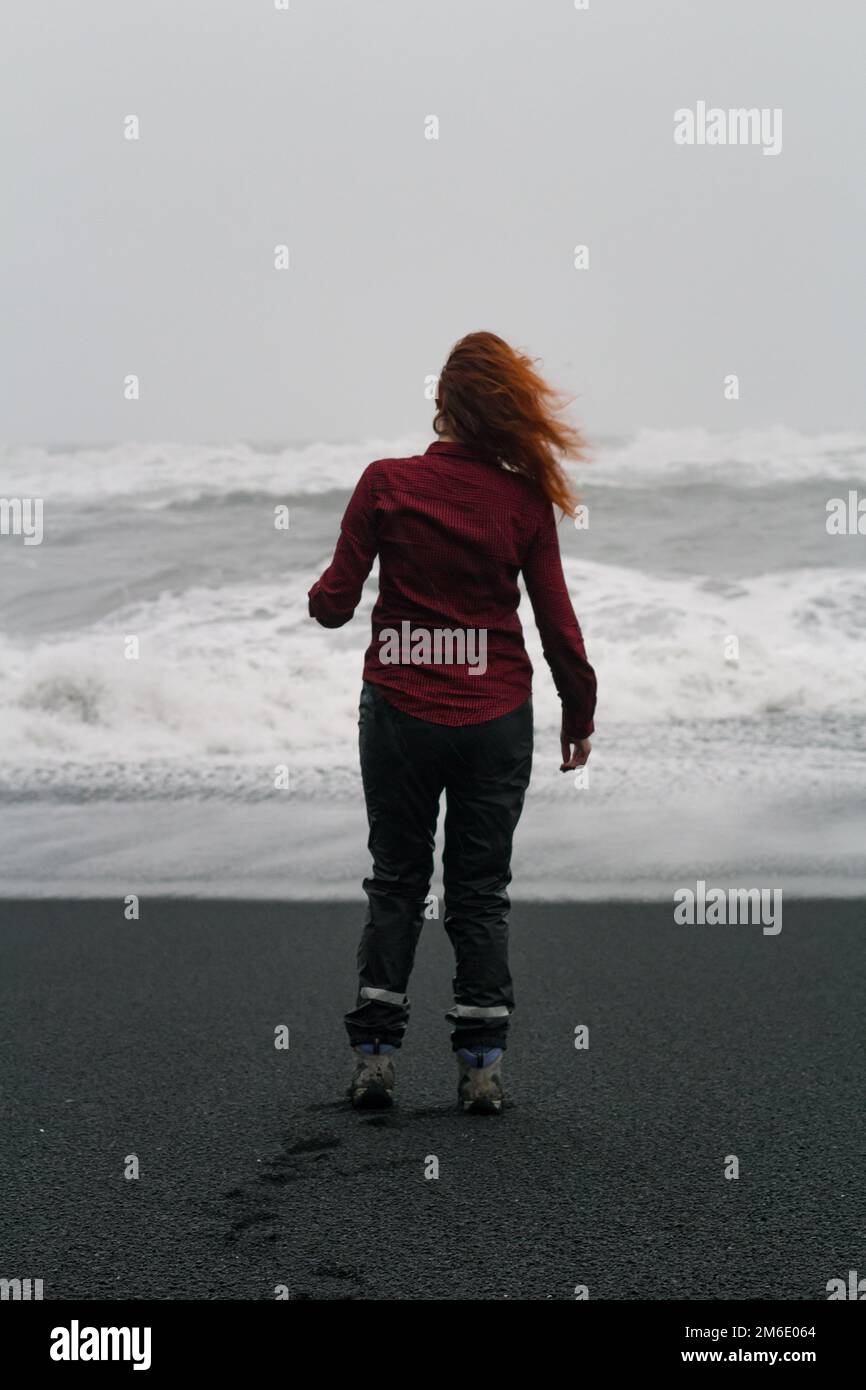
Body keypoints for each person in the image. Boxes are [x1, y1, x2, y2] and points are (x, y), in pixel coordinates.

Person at [308, 331, 597, 1114]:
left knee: (397, 879)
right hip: (498, 718)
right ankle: (481, 1072)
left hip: (400, 713)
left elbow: (334, 606)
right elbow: (558, 625)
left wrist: (323, 596)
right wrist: (579, 712)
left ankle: (374, 1062)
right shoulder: (524, 503)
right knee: (479, 893)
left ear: (442, 405)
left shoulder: (384, 484)